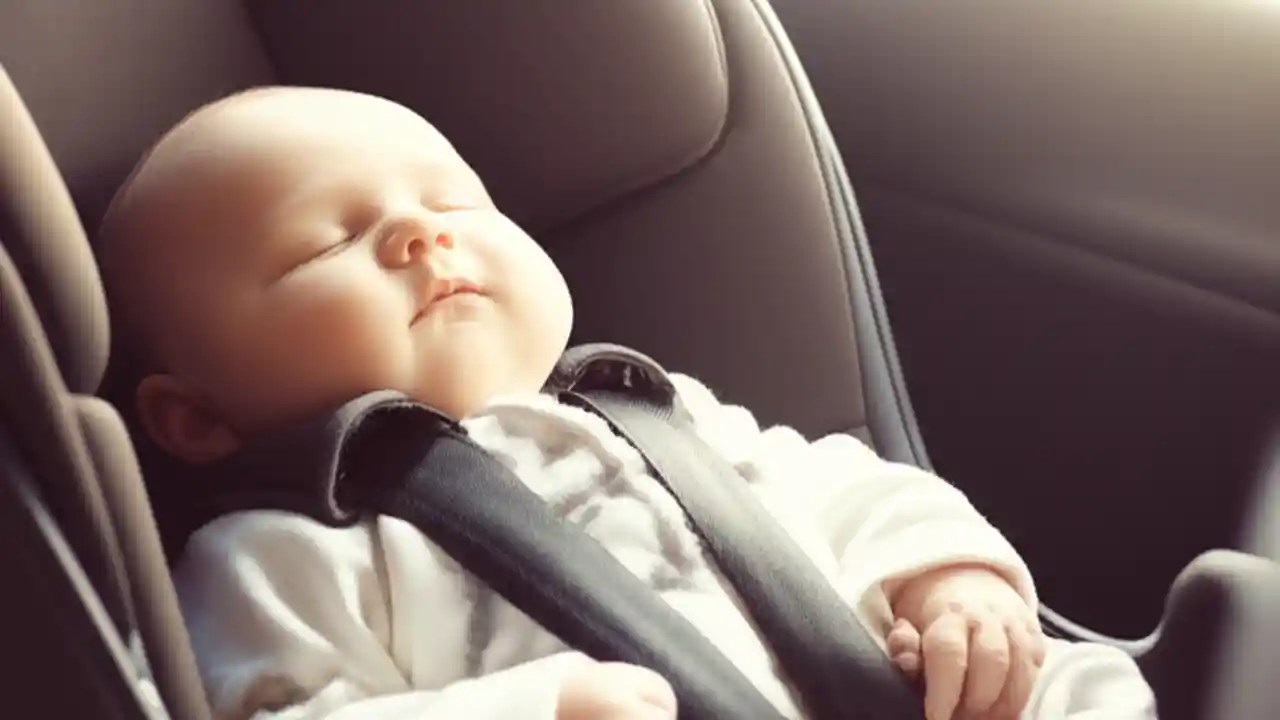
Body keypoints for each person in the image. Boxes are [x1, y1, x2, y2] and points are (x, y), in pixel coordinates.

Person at [97, 86, 1156, 720]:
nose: (426, 235)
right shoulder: (276, 553)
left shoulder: (650, 410)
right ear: (196, 419)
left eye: (455, 200)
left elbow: (836, 492)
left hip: (887, 692)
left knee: (1078, 687)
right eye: (326, 242)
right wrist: (536, 709)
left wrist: (947, 581)